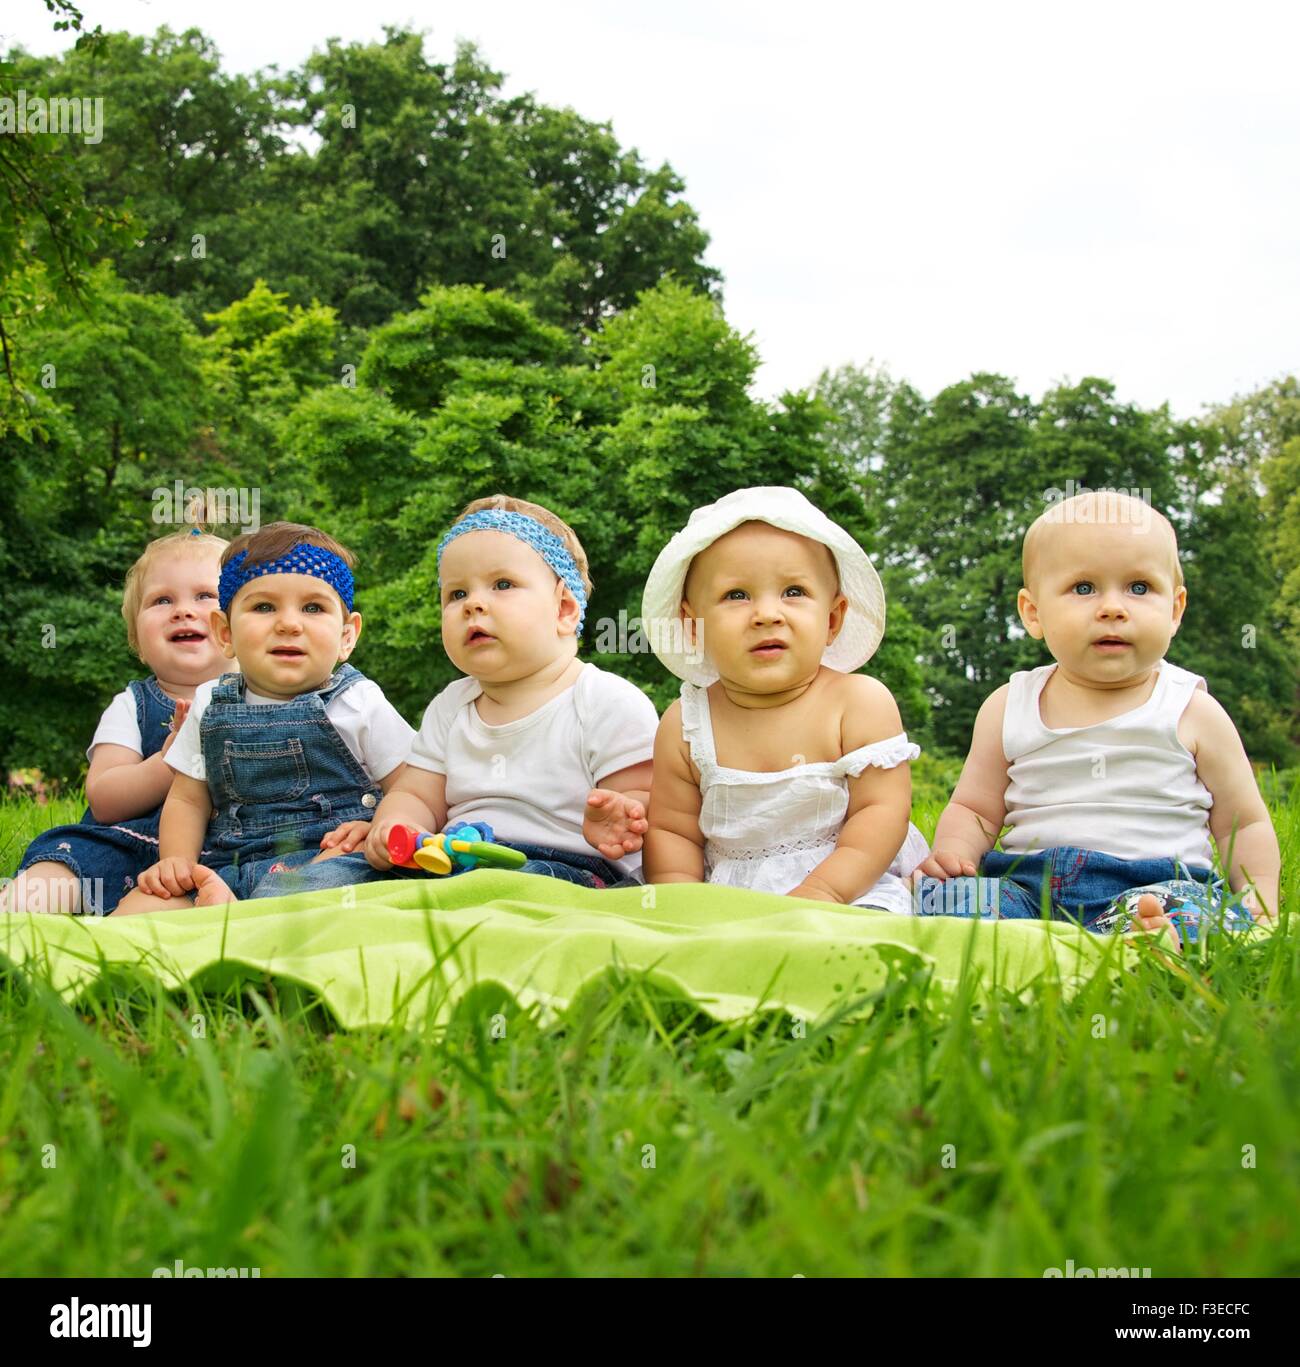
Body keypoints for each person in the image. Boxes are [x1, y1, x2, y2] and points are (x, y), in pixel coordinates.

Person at [913, 490, 1280, 946]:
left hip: (1157, 883)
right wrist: (954, 854)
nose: (1112, 608)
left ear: (1175, 610)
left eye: (1139, 588)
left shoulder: (1191, 708)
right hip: (1030, 886)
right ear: (1033, 612)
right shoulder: (1010, 705)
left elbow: (1242, 823)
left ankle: (1148, 937)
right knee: (944, 902)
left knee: (1189, 909)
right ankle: (1039, 941)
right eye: (1083, 588)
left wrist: (1260, 903)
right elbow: (974, 809)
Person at [641, 486, 928, 911]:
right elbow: (673, 831)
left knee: (862, 939)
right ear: (693, 625)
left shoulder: (857, 703)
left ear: (832, 619)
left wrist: (822, 894)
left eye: (794, 592)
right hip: (728, 895)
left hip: (851, 884)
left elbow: (882, 814)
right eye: (736, 595)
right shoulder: (687, 724)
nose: (767, 614)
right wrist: (686, 906)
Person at [356, 495, 660, 890]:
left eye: (503, 584)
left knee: (515, 888)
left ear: (565, 609)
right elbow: (416, 794)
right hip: (454, 857)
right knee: (351, 875)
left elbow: (652, 799)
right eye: (456, 594)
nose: (473, 605)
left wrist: (622, 813)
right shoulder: (451, 706)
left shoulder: (605, 700)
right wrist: (395, 824)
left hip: (567, 864)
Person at [113, 522, 413, 912]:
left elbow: (411, 785)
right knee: (141, 907)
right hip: (229, 865)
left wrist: (380, 826)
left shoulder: (357, 702)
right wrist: (179, 864)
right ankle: (228, 916)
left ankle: (249, 919)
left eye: (313, 608)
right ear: (225, 632)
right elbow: (188, 800)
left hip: (331, 859)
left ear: (347, 635)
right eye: (264, 607)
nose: (289, 624)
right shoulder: (211, 703)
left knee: (342, 887)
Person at [2, 527, 228, 915]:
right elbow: (105, 800)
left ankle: (115, 944)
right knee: (54, 875)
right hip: (121, 843)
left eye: (205, 595)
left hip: (216, 855)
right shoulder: (132, 705)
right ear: (137, 639)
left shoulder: (265, 702)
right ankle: (12, 922)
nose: (183, 610)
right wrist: (166, 762)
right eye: (161, 600)